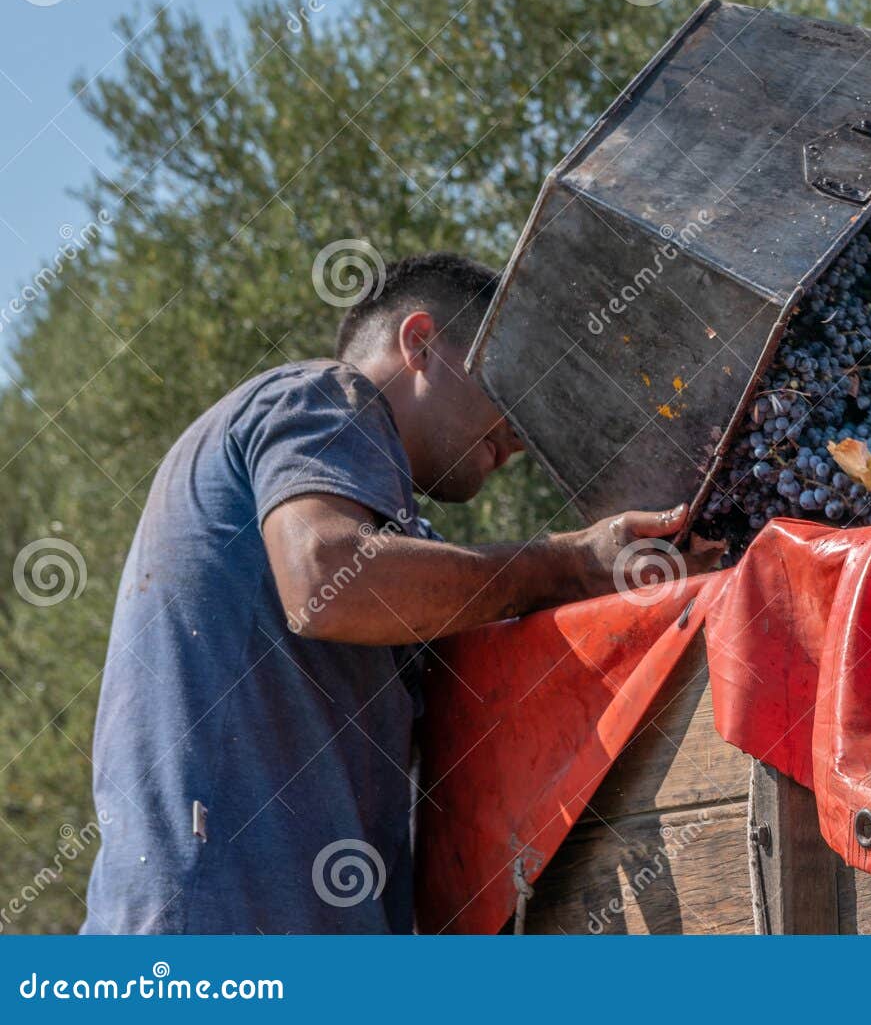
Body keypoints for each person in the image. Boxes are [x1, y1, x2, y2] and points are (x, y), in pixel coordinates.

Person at [82, 252, 711, 933]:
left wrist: (637, 573)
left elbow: (481, 681)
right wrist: (566, 561)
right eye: (509, 382)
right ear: (420, 343)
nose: (524, 433)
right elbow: (325, 580)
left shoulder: (409, 550)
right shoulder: (320, 395)